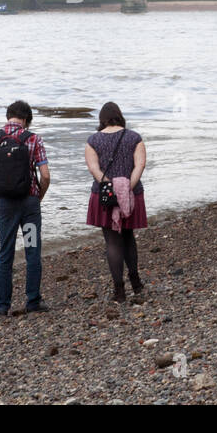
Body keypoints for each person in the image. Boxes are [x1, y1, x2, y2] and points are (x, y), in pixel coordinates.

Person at [0, 100, 51, 316]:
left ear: (8, 116)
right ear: (27, 120)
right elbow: (45, 175)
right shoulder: (33, 139)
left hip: (6, 206)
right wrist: (38, 197)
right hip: (29, 204)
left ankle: (2, 306)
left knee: (6, 252)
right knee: (32, 251)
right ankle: (32, 302)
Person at [84, 102, 148, 303]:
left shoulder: (93, 140)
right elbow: (140, 165)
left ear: (101, 119)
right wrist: (127, 187)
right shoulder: (134, 137)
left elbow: (94, 169)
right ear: (120, 117)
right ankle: (136, 282)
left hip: (104, 195)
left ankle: (119, 290)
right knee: (128, 236)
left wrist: (110, 186)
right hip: (132, 192)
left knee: (112, 241)